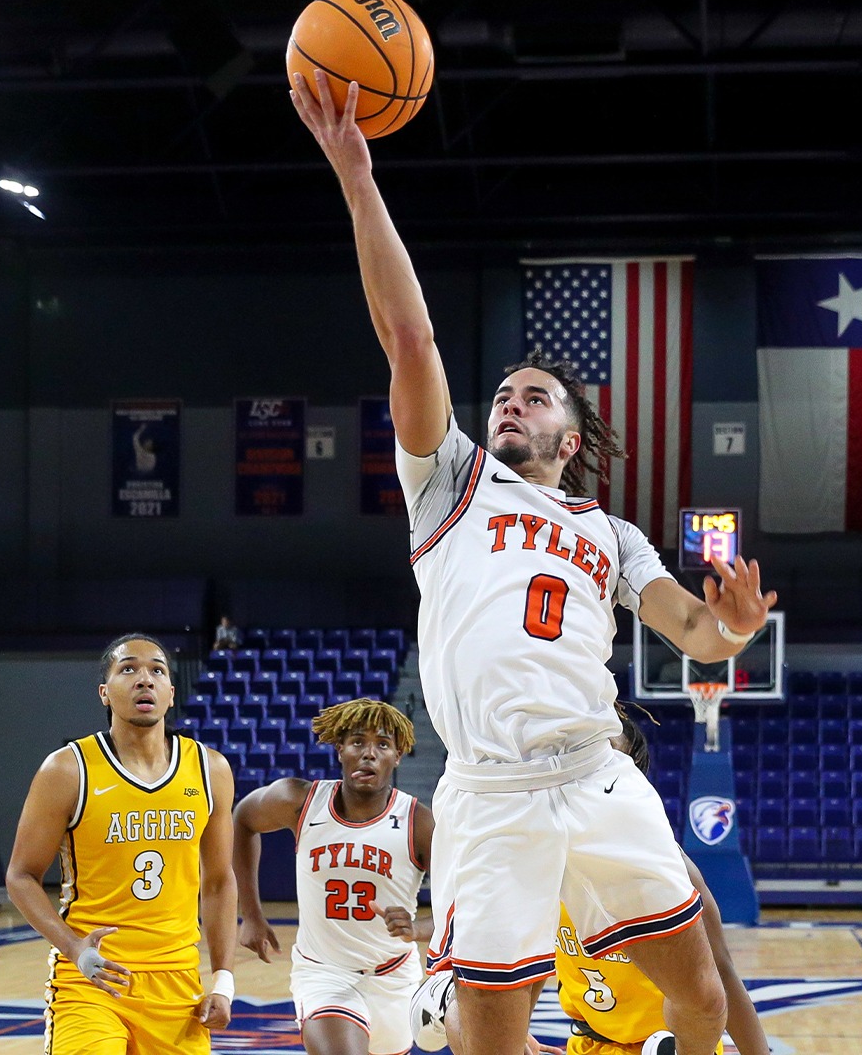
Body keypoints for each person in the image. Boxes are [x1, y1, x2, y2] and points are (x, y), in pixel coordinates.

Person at [292, 71, 775, 1055]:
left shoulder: (610, 529)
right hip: (492, 793)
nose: (511, 400)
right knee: (492, 1037)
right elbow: (409, 336)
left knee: (702, 999)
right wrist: (356, 176)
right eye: (504, 392)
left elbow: (692, 629)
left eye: (536, 395)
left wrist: (735, 627)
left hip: (601, 775)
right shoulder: (451, 483)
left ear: (571, 434)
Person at [403, 711, 771, 1055]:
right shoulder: (533, 862)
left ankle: (447, 997)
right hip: (590, 1041)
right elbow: (526, 960)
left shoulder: (671, 868)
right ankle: (449, 997)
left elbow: (721, 972)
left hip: (671, 1041)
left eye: (597, 753)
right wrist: (518, 1030)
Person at [6, 633, 238, 1054]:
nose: (143, 679)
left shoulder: (210, 769)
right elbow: (21, 876)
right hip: (91, 977)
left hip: (176, 981)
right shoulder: (67, 770)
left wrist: (223, 978)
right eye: (127, 668)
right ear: (105, 693)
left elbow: (220, 881)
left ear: (170, 693)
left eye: (157, 671)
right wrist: (74, 948)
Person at [234, 698, 431, 1055]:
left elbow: (465, 906)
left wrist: (418, 930)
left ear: (397, 756)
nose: (369, 753)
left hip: (393, 976)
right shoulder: (299, 800)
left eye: (383, 745)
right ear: (340, 749)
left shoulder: (419, 823)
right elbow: (243, 820)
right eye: (357, 742)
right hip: (324, 972)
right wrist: (251, 914)